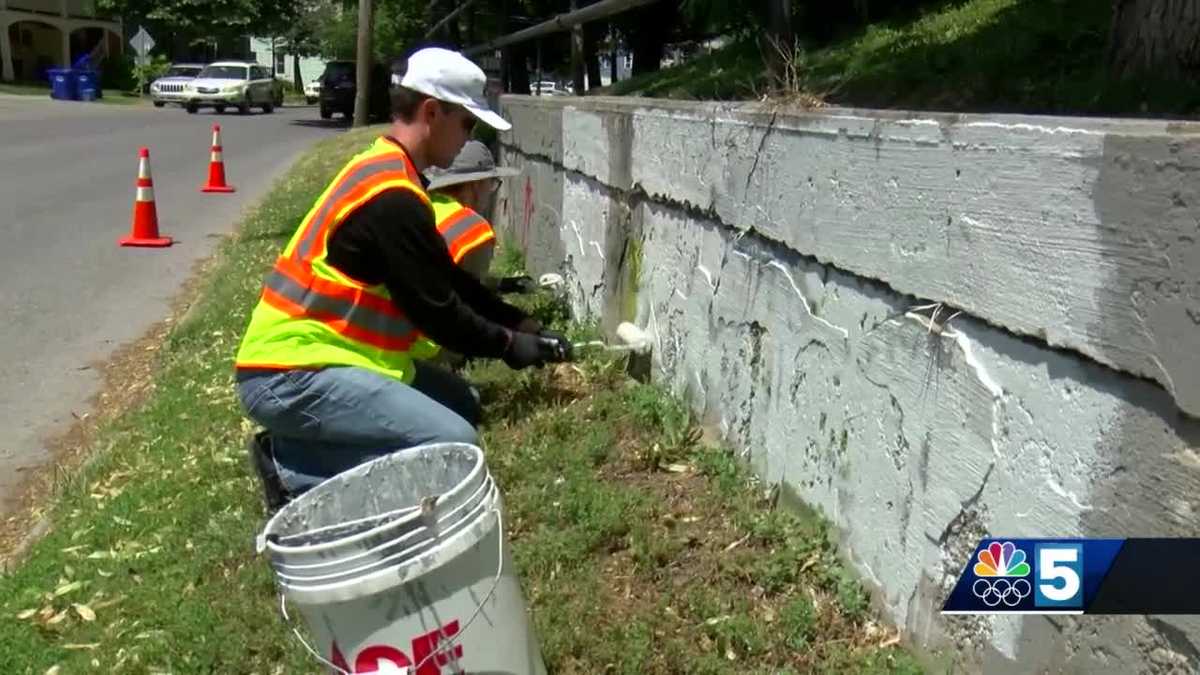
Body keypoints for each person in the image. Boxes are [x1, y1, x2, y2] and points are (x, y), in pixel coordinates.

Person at [234, 47, 572, 509]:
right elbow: (439, 314)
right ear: (432, 113)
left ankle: (311, 448)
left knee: (463, 405)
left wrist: (520, 322)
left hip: (331, 359)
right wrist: (510, 346)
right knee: (455, 444)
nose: (469, 139)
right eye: (467, 124)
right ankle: (290, 465)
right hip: (291, 376)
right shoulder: (392, 198)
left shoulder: (391, 173)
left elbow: (448, 280)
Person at [425, 140, 534, 293]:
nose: (491, 192)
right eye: (491, 184)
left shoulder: (421, 203)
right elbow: (473, 297)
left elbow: (456, 280)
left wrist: (503, 284)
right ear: (476, 185)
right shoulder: (473, 230)